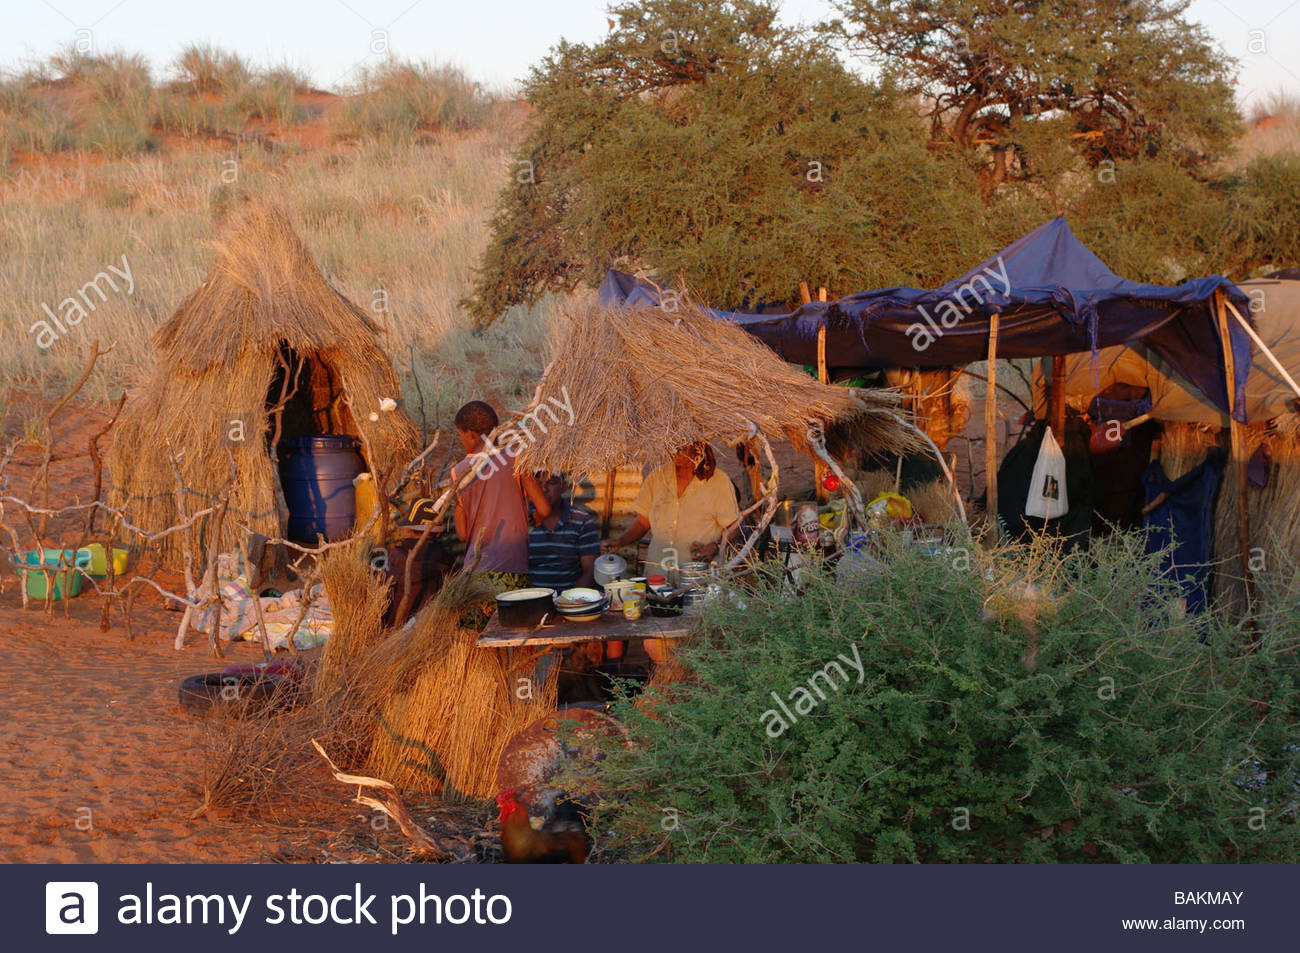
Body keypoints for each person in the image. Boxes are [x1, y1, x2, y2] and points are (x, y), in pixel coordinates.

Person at [451, 400, 550, 597]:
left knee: (479, 628)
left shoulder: (458, 472)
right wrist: (537, 517)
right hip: (512, 566)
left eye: (460, 435)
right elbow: (545, 509)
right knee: (511, 625)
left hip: (475, 571)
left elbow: (462, 534)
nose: (461, 440)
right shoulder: (516, 458)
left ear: (470, 434)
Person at [528, 471, 599, 591]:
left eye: (551, 483)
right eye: (538, 483)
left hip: (570, 602)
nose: (544, 489)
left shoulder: (581, 520)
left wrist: (569, 601)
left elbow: (590, 570)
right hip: (530, 600)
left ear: (564, 486)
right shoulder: (522, 520)